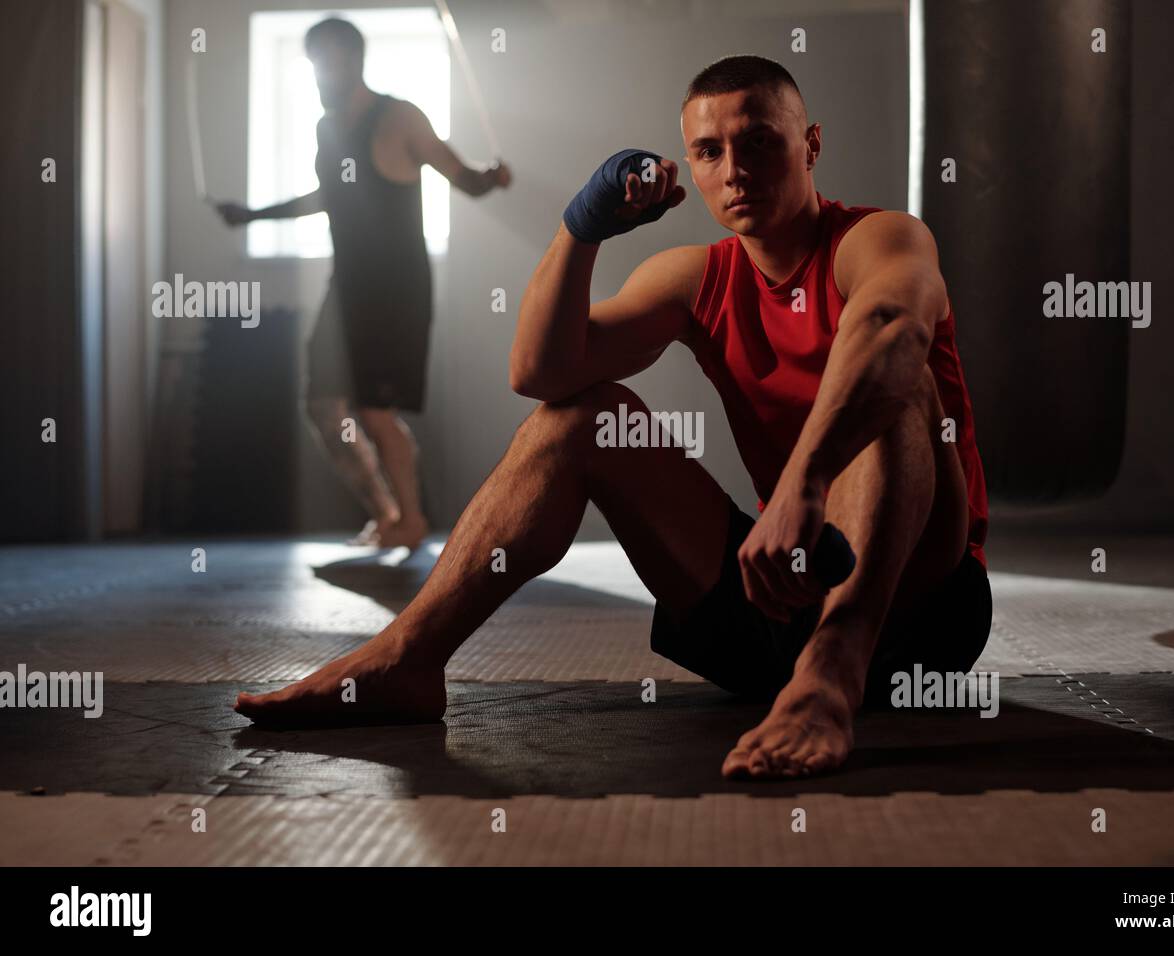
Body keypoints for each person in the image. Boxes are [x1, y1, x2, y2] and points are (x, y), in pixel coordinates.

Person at [235, 54, 991, 781]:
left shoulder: (881, 238)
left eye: (760, 141)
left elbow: (892, 324)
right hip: (775, 604)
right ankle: (408, 657)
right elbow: (540, 373)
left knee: (904, 382)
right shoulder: (698, 277)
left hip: (919, 609)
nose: (735, 170)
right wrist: (581, 229)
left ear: (811, 143)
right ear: (689, 166)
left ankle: (832, 675)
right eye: (709, 150)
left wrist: (805, 482)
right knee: (580, 417)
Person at [217, 17, 511, 549]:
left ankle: (412, 521)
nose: (320, 72)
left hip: (395, 290)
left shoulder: (399, 117)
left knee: (376, 411)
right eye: (314, 62)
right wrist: (254, 216)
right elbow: (326, 197)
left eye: (327, 59)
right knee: (322, 407)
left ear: (354, 58)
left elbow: (462, 178)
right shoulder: (325, 128)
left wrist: (489, 177)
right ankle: (388, 514)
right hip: (346, 286)